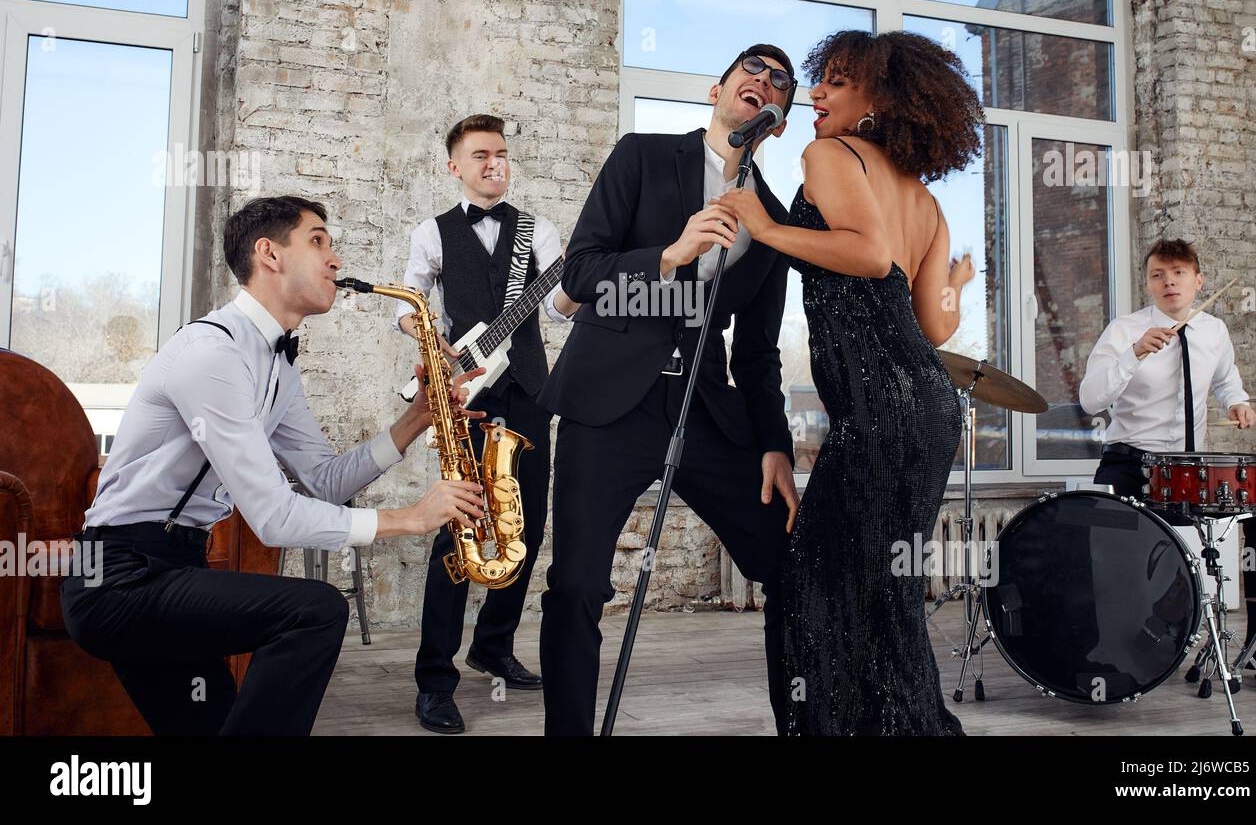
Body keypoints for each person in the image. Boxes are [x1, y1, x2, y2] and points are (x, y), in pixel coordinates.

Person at [60, 196, 486, 735]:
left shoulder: (278, 367)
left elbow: (325, 482)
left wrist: (414, 421)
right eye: (317, 241)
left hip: (176, 569)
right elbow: (272, 517)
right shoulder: (210, 354)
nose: (334, 259)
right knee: (316, 612)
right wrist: (408, 519)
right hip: (119, 578)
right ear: (269, 254)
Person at [715, 29, 980, 735]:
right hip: (927, 407)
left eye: (837, 81)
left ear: (880, 100)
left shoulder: (829, 154)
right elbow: (937, 330)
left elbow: (865, 255)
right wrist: (953, 284)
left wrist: (765, 228)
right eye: (821, 79)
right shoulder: (926, 204)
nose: (818, 95)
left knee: (811, 585)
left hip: (880, 410)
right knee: (882, 590)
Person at [537, 44, 801, 735]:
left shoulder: (772, 223)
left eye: (781, 82)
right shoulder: (643, 156)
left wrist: (775, 444)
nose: (764, 81)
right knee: (575, 588)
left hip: (706, 408)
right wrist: (668, 256)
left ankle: (802, 723)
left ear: (778, 120)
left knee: (791, 561)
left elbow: (760, 352)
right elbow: (581, 275)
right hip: (609, 402)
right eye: (753, 68)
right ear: (718, 88)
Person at [397, 114, 578, 734]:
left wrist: (575, 291)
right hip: (465, 397)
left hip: (529, 391)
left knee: (526, 524)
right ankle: (433, 681)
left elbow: (558, 312)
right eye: (480, 155)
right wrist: (434, 343)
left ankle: (494, 645)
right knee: (459, 534)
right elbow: (410, 307)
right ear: (455, 166)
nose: (493, 163)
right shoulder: (432, 233)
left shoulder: (541, 230)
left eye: (500, 153)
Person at [1080, 238, 1256, 675]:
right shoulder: (1124, 331)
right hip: (1131, 462)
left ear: (1198, 281)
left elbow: (1226, 381)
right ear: (1147, 283)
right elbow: (1089, 399)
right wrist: (1134, 353)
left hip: (1187, 466)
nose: (1168, 282)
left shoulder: (1214, 331)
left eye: (1178, 273)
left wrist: (1237, 403)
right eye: (1158, 274)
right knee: (1117, 540)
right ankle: (1119, 643)